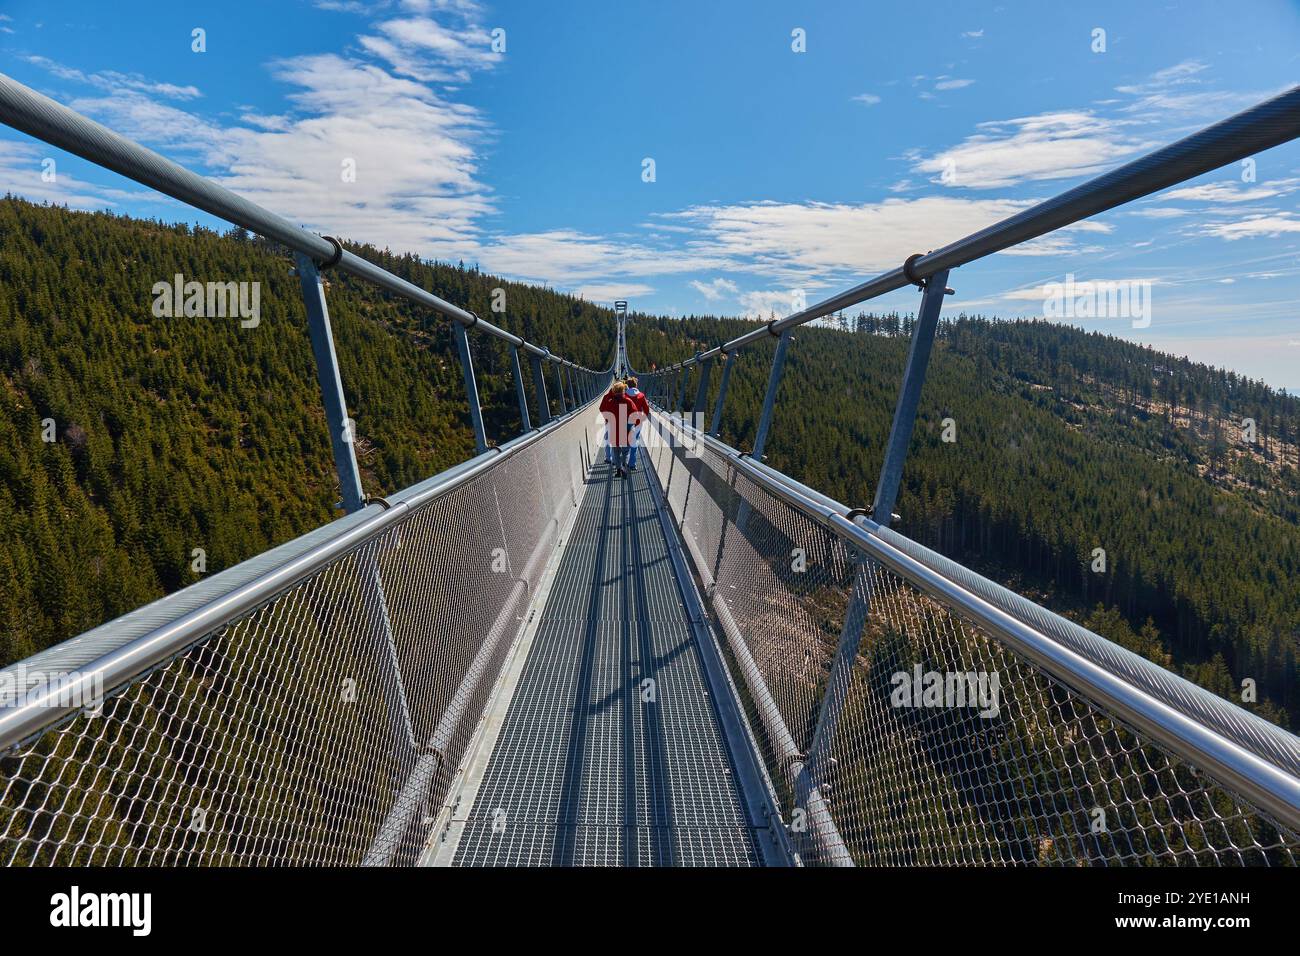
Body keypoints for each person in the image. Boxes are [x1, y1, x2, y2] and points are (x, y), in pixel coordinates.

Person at [598, 381, 638, 478]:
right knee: (625, 451)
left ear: (614, 391)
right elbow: (635, 414)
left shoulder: (610, 402)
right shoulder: (628, 401)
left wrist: (607, 420)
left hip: (614, 429)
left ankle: (618, 470)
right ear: (623, 390)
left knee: (615, 451)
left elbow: (602, 409)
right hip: (626, 430)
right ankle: (624, 466)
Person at [624, 376, 650, 471]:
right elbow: (646, 409)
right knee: (634, 442)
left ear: (628, 385)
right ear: (636, 385)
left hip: (626, 421)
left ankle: (624, 461)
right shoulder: (641, 396)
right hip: (637, 422)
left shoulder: (624, 396)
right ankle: (632, 464)